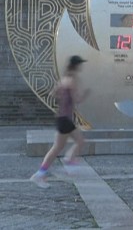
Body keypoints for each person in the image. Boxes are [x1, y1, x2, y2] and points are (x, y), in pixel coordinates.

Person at [29, 55, 91, 188]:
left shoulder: (64, 79)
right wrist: (85, 94)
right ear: (77, 65)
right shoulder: (73, 79)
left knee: (57, 148)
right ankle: (68, 160)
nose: (81, 67)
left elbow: (53, 93)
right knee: (79, 142)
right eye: (80, 64)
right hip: (66, 118)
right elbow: (77, 99)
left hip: (61, 117)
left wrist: (63, 96)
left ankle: (40, 174)